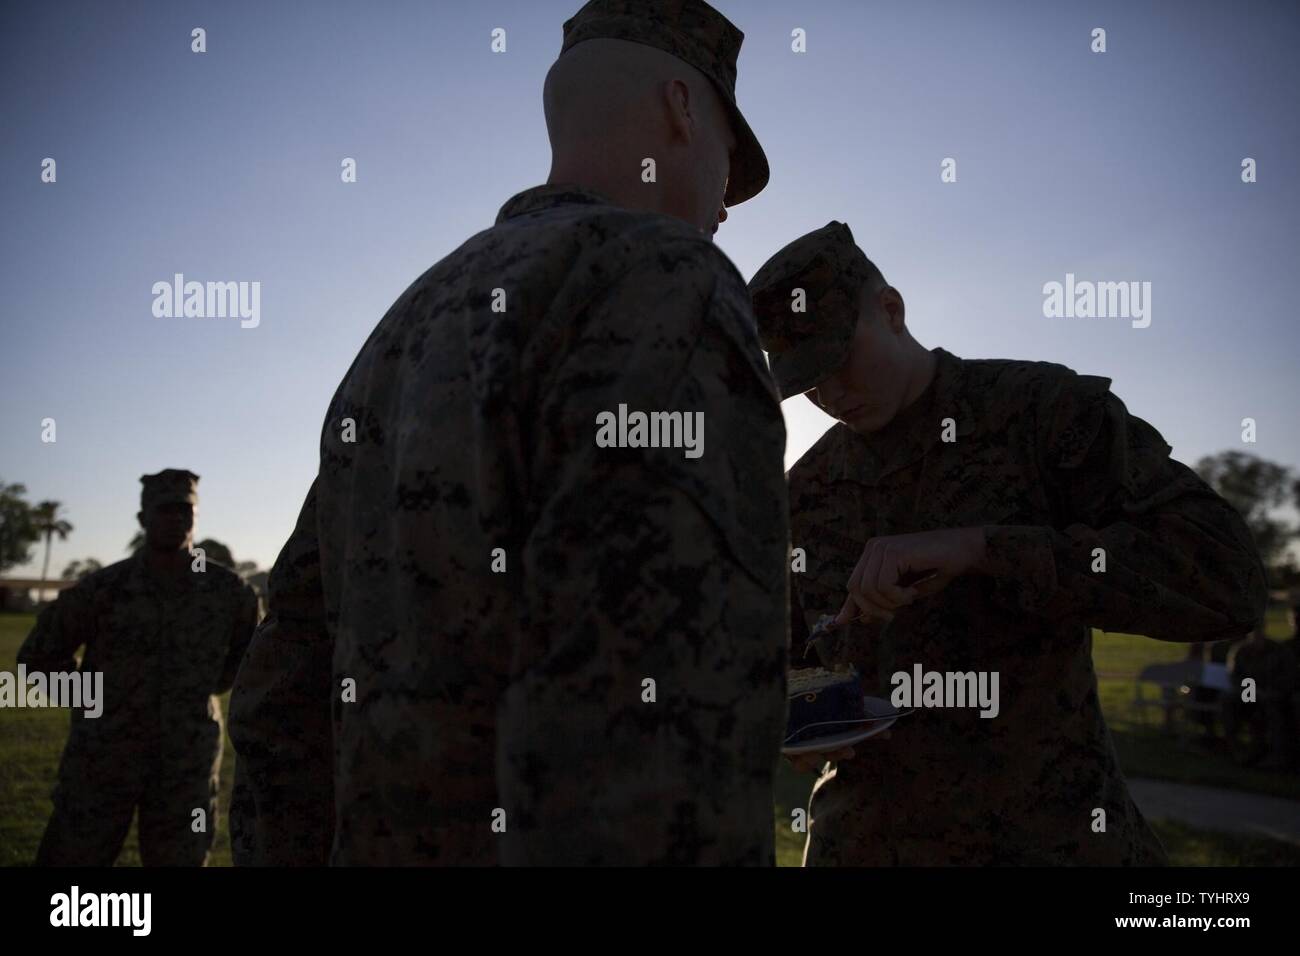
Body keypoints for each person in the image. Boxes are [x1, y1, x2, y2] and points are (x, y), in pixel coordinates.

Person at [230, 0, 789, 866]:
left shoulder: (404, 322)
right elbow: (660, 728)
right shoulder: (664, 276)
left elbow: (279, 697)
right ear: (682, 108)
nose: (726, 205)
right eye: (727, 158)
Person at [749, 221, 1268, 865]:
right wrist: (803, 717)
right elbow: (804, 655)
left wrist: (985, 549)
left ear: (891, 310)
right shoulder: (806, 489)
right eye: (807, 381)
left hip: (1049, 840)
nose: (830, 395)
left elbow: (1226, 582)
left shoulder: (1041, 415)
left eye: (837, 360)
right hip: (865, 843)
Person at [18, 469, 260, 866]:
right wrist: (93, 704)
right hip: (101, 761)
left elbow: (249, 657)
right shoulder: (104, 589)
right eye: (165, 510)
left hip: (186, 764)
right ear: (143, 518)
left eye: (186, 510)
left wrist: (210, 685)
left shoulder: (229, 593)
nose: (176, 518)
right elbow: (37, 657)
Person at [1222, 629, 1298, 769]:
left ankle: (1276, 753)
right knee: (1230, 702)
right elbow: (1235, 677)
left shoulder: (1280, 652)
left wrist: (1269, 691)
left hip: (1273, 695)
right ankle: (1236, 748)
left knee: (1272, 710)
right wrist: (1252, 691)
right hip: (1249, 693)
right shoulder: (1241, 651)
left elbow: (1287, 677)